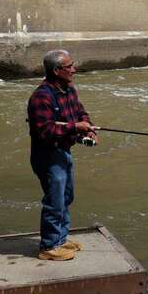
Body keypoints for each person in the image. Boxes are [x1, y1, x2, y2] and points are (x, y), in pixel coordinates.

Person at [27, 49, 97, 261]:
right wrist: (75, 127)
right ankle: (49, 247)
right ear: (57, 70)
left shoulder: (70, 90)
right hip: (47, 155)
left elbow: (81, 112)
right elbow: (45, 131)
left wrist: (89, 128)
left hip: (63, 152)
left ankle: (60, 238)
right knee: (54, 200)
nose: (74, 70)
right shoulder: (41, 97)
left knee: (66, 197)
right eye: (69, 67)